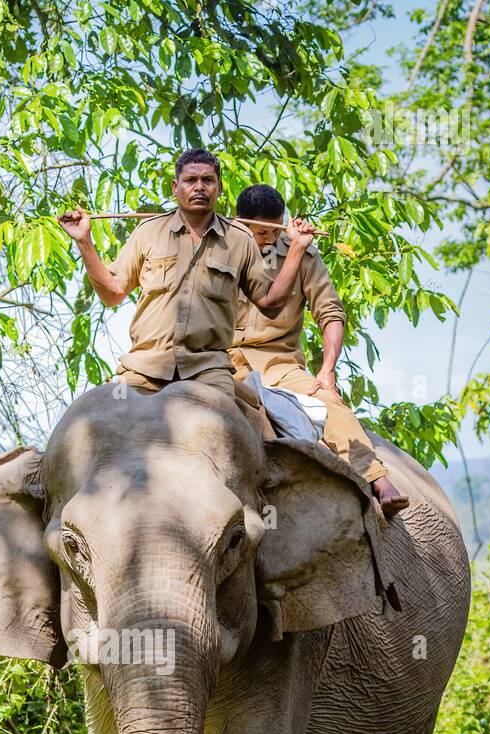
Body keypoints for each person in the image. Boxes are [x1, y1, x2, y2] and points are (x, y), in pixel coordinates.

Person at [58, 148, 318, 401]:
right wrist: (84, 242)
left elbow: (271, 304)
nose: (200, 187)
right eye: (190, 180)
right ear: (175, 187)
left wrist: (297, 248)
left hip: (208, 371)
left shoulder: (240, 239)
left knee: (223, 427)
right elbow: (112, 294)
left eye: (208, 180)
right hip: (143, 367)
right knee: (101, 413)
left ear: (219, 187)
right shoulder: (148, 231)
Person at [230, 182, 409, 516]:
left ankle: (379, 481)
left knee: (329, 404)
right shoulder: (219, 247)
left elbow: (330, 313)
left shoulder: (303, 252)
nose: (267, 241)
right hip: (221, 364)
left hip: (279, 366)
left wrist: (327, 370)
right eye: (259, 233)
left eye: (272, 232)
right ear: (240, 223)